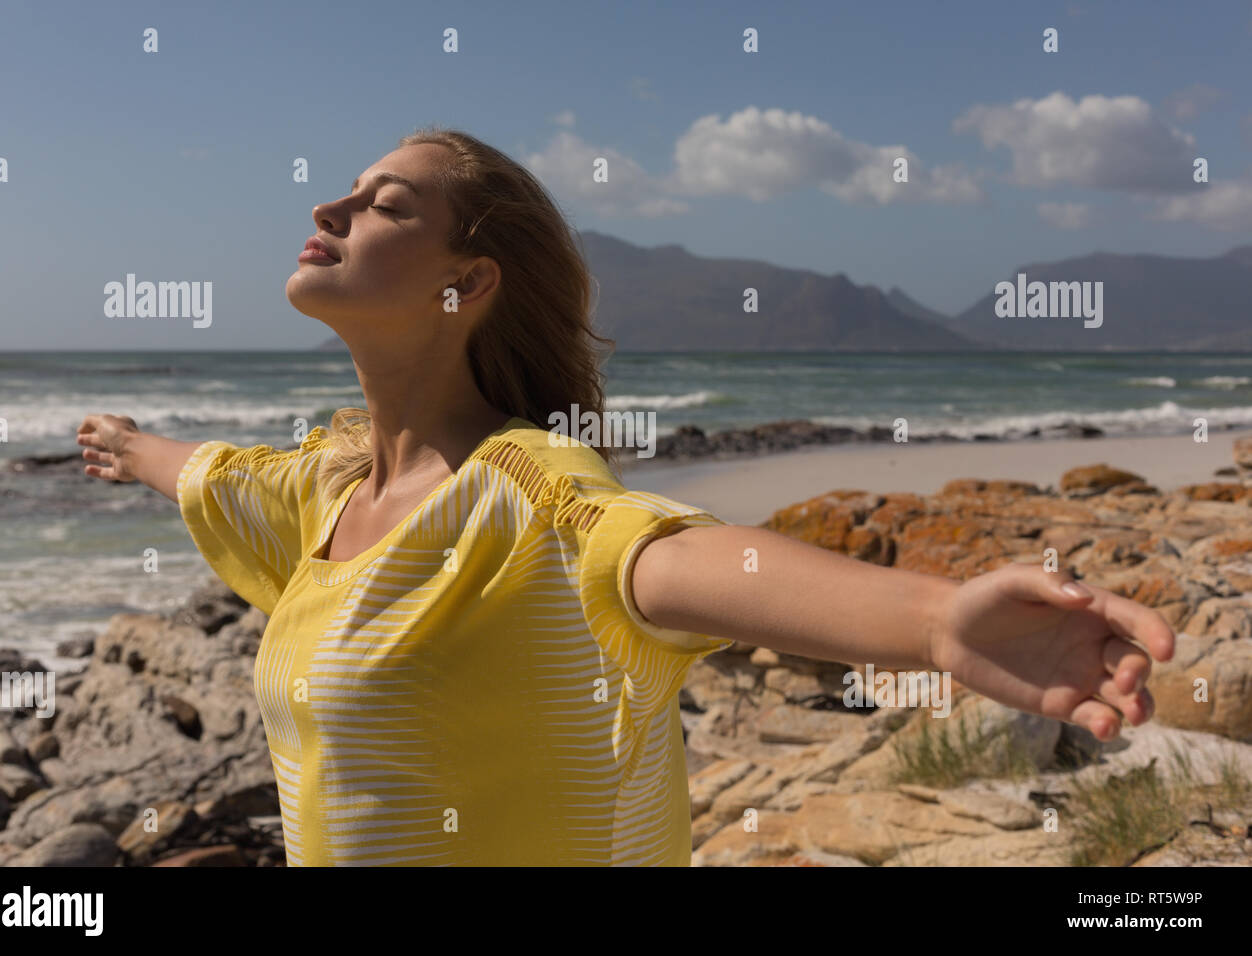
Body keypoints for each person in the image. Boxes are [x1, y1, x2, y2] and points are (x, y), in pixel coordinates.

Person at [76, 127, 1172, 866]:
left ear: (469, 283)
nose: (333, 203)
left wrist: (934, 622)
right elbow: (217, 471)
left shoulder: (526, 492)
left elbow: (670, 557)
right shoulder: (323, 489)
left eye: (385, 204)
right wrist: (127, 444)